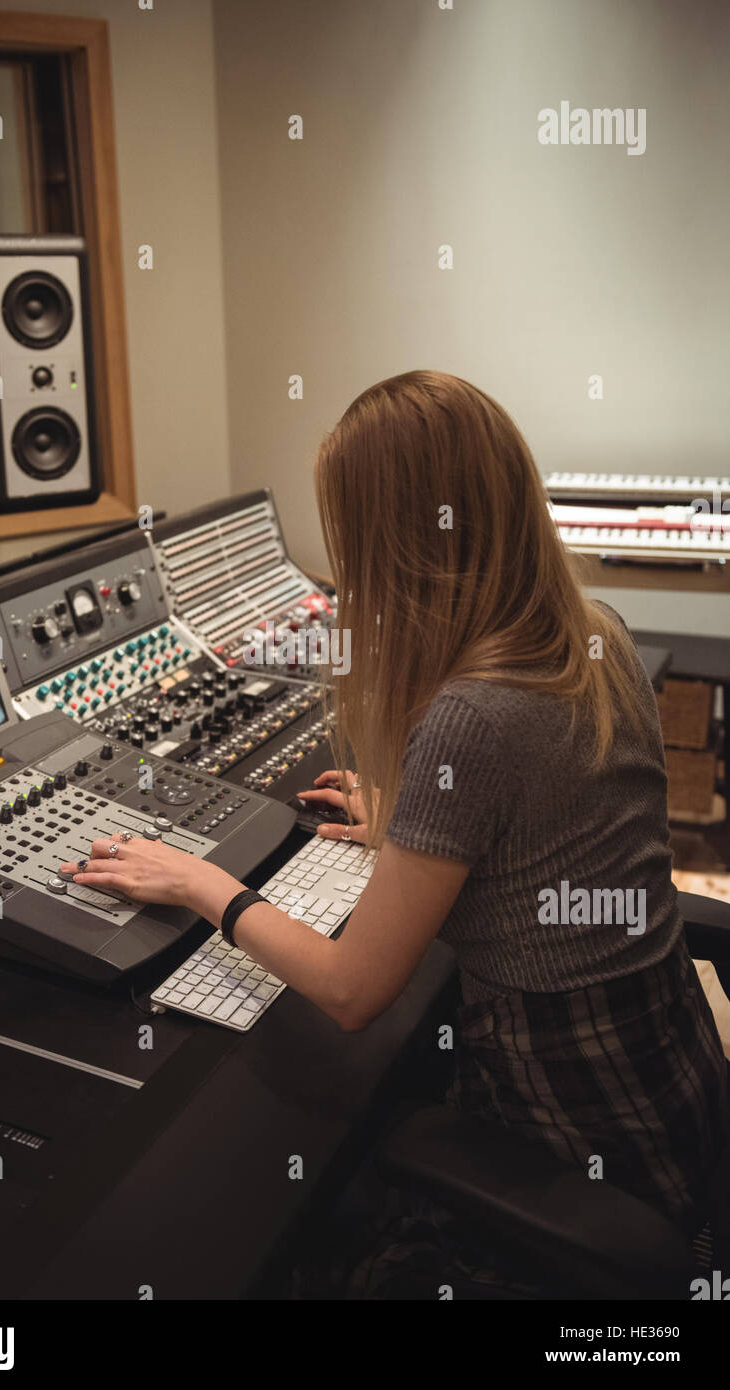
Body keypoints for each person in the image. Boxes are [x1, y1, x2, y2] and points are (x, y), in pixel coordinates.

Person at [61, 370, 728, 1293]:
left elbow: (350, 991)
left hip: (576, 1138)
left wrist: (201, 885)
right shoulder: (596, 633)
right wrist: (415, 827)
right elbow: (552, 826)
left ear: (398, 549)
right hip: (669, 1088)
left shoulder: (473, 717)